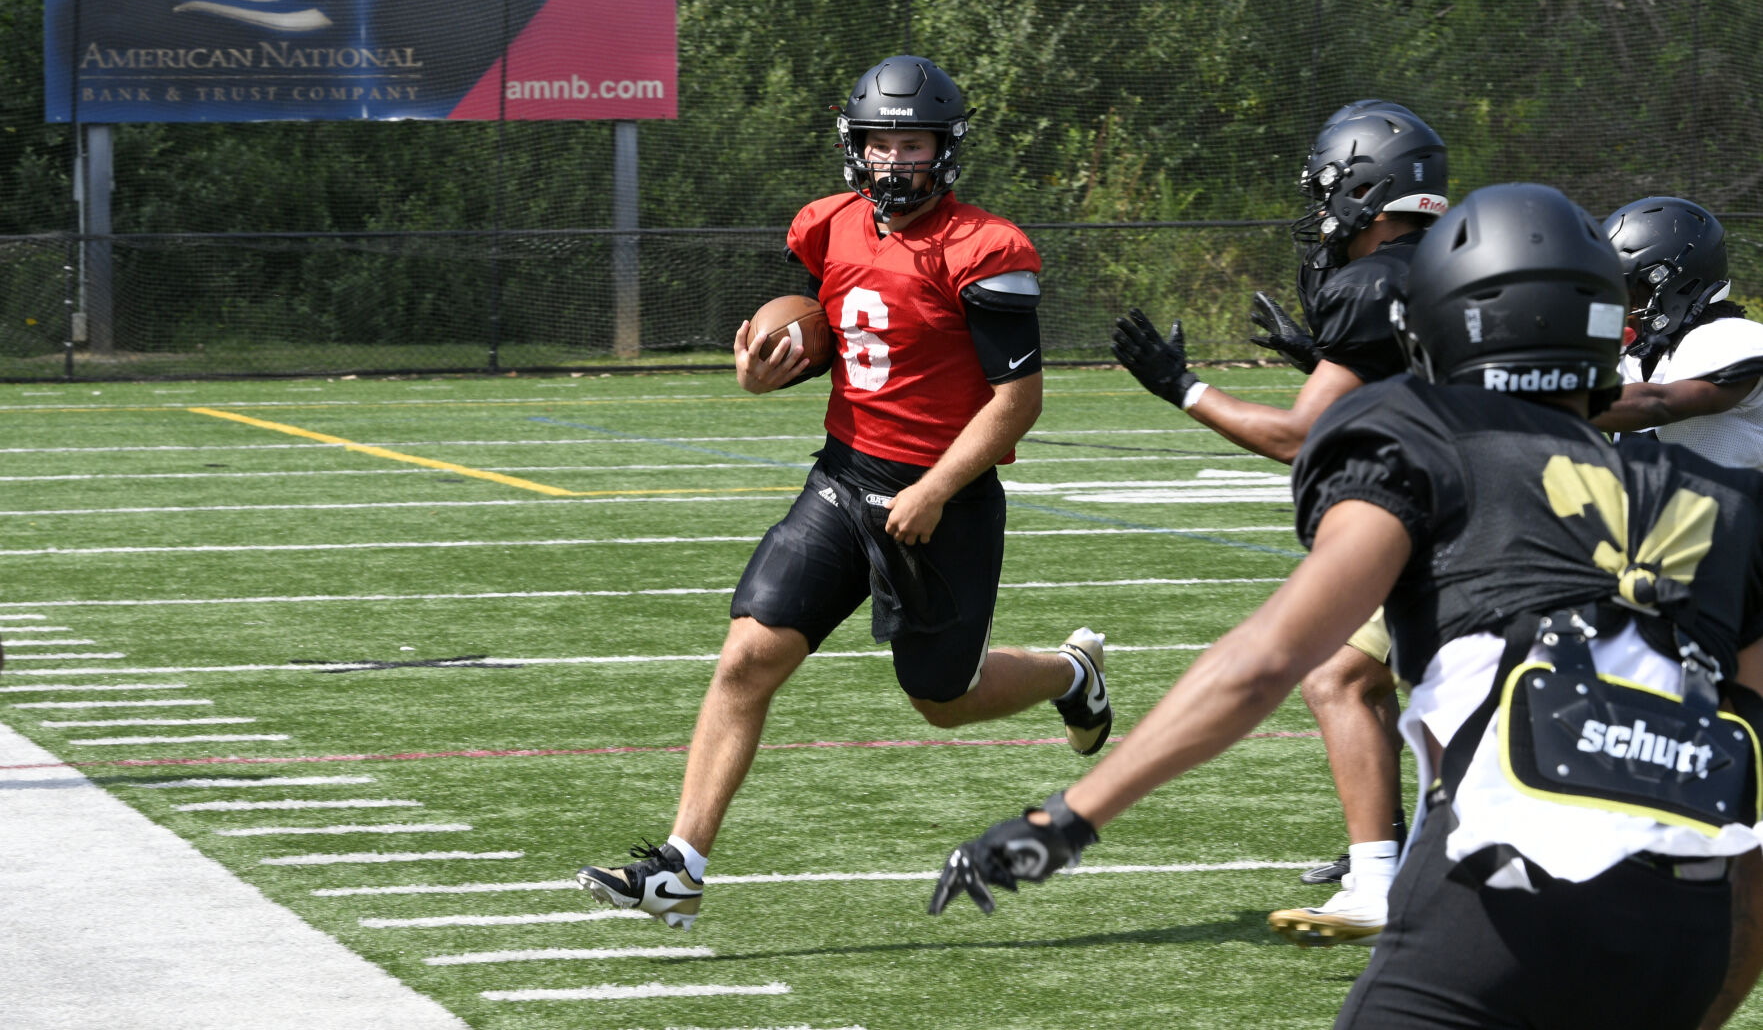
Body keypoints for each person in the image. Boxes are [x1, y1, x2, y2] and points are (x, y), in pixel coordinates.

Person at [931, 183, 1763, 1029]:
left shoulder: (1423, 440)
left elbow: (1263, 661)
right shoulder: (1728, 507)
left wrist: (1069, 817)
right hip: (1679, 931)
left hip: (1495, 905)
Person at [573, 55, 1112, 931]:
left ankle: (1070, 672)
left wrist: (937, 487)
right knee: (747, 653)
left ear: (945, 149)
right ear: (854, 148)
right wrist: (762, 371)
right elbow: (831, 341)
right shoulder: (824, 227)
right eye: (880, 142)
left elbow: (1017, 401)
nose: (896, 160)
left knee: (942, 699)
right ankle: (681, 866)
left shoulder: (987, 248)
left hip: (947, 497)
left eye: (913, 142)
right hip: (844, 476)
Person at [1111, 100, 1448, 944]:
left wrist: (1180, 385)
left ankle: (1398, 878)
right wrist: (1328, 359)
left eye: (1328, 191)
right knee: (1366, 677)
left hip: (1442, 521)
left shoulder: (1372, 282)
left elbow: (1303, 439)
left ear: (1365, 190)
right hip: (1504, 497)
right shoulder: (1453, 258)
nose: (1319, 213)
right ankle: (1407, 869)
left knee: (1348, 677)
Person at [1592, 196, 1763, 467]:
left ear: (1680, 286)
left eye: (1629, 296)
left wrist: (1547, 393)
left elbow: (1656, 405)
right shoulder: (1639, 356)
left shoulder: (1729, 339)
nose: (1615, 309)